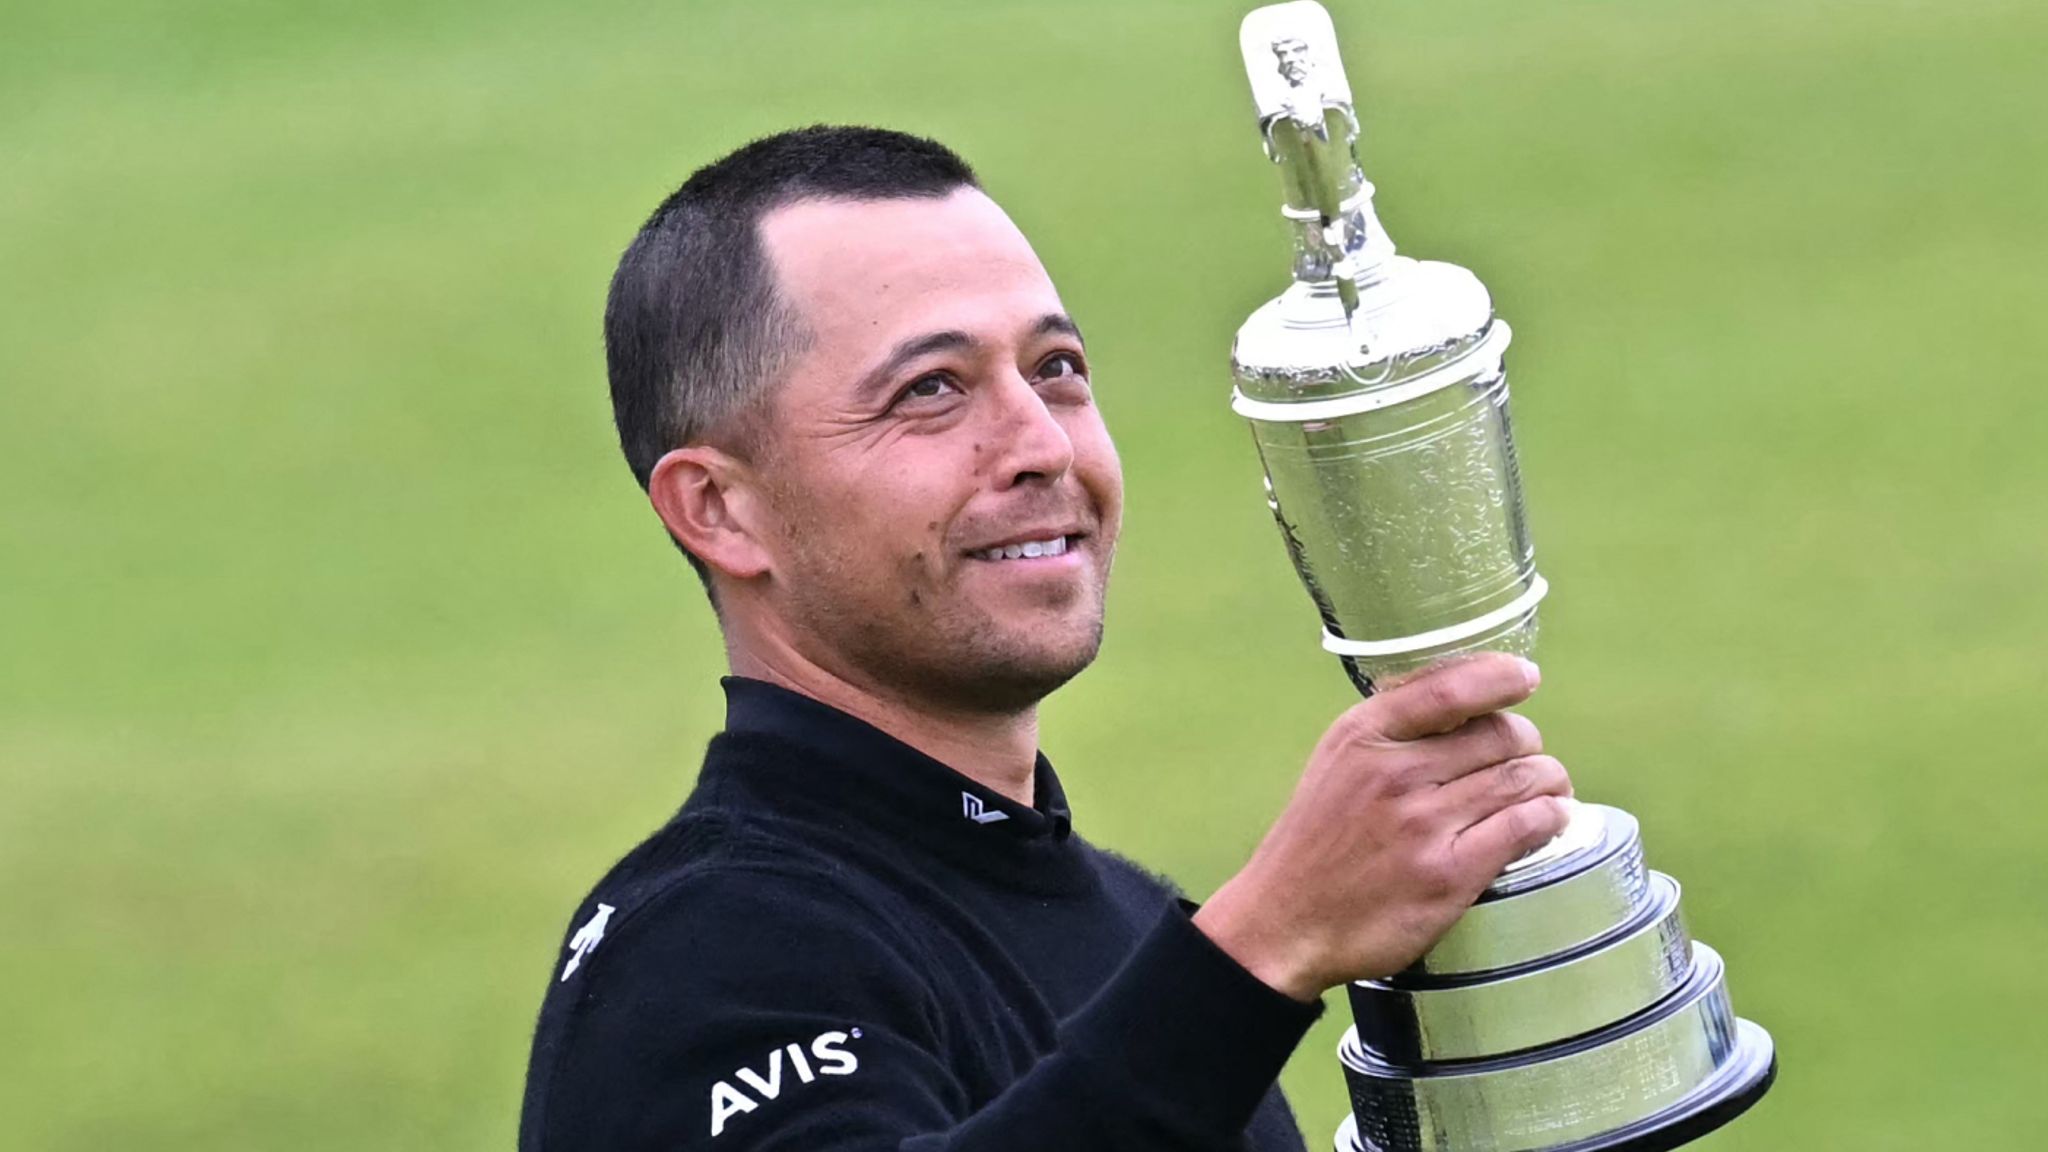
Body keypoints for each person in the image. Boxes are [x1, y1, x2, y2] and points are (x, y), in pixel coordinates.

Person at [517, 125, 1573, 1152]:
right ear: (719, 510)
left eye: (1055, 367)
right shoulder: (696, 948)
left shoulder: (1125, 919)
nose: (1038, 444)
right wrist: (1264, 946)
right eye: (929, 390)